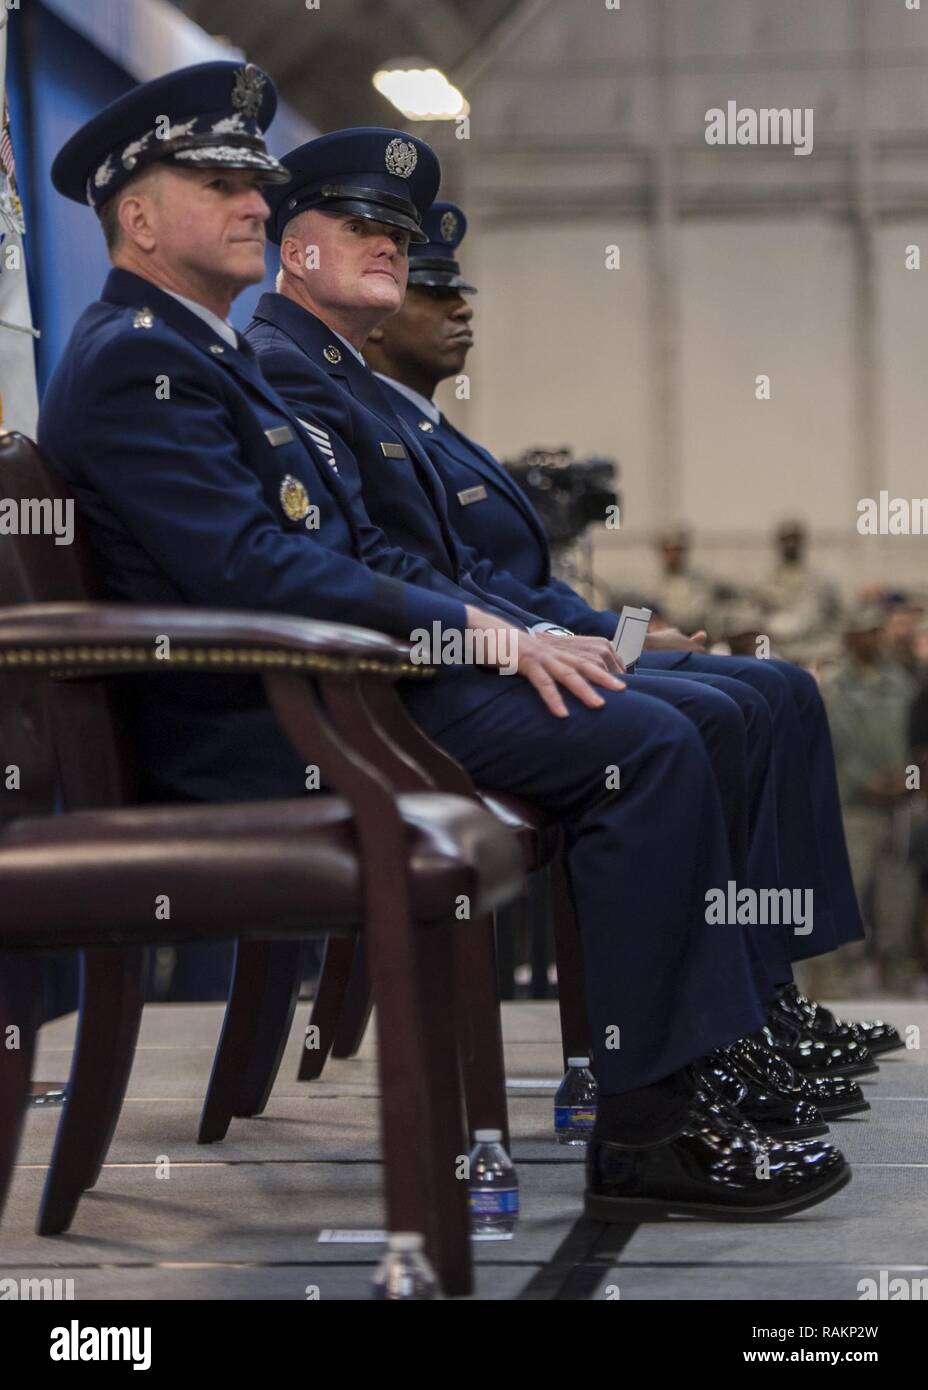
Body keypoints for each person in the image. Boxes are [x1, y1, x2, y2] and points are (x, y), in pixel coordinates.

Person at [40, 71, 853, 1224]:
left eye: (255, 186)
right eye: (220, 184)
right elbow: (246, 570)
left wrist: (496, 635)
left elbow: (346, 544)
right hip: (269, 724)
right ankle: (652, 1124)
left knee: (672, 724)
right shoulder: (138, 358)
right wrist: (476, 632)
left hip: (329, 691)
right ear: (135, 216)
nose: (254, 207)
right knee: (653, 743)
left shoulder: (196, 348)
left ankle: (691, 1077)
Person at [817, 608, 921, 994]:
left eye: (878, 631)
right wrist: (868, 780)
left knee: (898, 888)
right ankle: (839, 976)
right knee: (851, 887)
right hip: (854, 803)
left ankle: (898, 970)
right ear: (850, 638)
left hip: (898, 804)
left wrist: (907, 778)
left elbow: (912, 738)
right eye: (866, 632)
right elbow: (836, 744)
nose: (875, 639)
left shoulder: (900, 682)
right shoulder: (835, 685)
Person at [759, 520, 843, 666]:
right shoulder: (765, 582)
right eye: (786, 539)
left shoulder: (820, 581)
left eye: (795, 539)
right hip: (779, 653)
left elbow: (838, 616)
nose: (791, 544)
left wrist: (830, 646)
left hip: (815, 652)